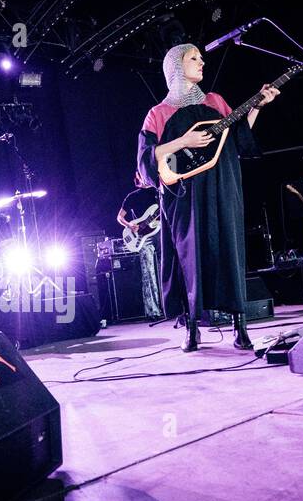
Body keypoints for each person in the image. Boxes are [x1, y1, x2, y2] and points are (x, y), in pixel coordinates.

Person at [136, 43, 278, 351]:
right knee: (188, 256)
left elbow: (237, 136)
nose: (202, 62)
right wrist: (183, 141)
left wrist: (257, 106)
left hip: (223, 184)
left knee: (230, 248)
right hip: (184, 194)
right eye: (194, 58)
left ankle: (240, 325)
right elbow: (147, 158)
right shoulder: (158, 113)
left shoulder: (215, 101)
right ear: (175, 66)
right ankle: (191, 328)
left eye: (202, 57)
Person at [116, 187, 163, 320]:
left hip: (159, 231)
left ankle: (170, 307)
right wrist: (129, 225)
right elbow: (120, 217)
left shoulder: (157, 191)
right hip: (142, 237)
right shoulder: (132, 196)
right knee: (149, 272)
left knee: (165, 268)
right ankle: (153, 312)